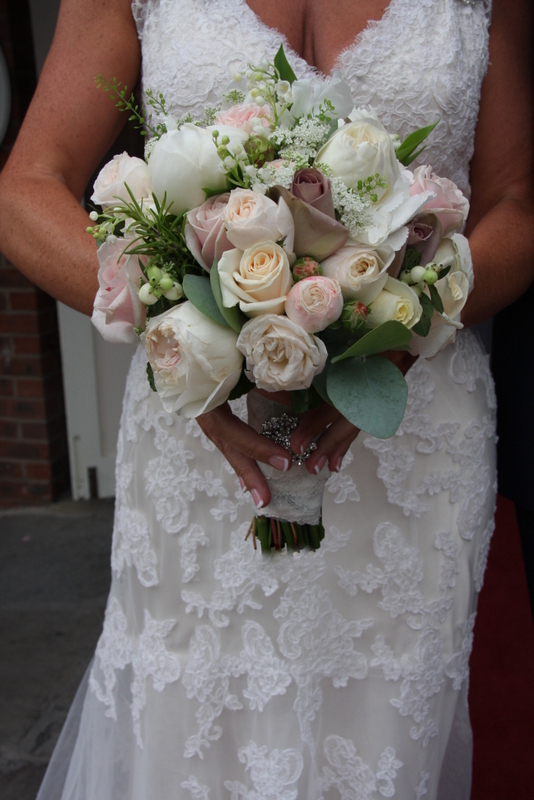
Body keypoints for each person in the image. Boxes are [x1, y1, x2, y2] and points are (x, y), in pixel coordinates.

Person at [0, 0, 532, 797]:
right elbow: (26, 185)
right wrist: (181, 332)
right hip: (196, 441)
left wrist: (402, 333)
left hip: (409, 443)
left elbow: (515, 205)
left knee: (383, 748)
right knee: (185, 736)